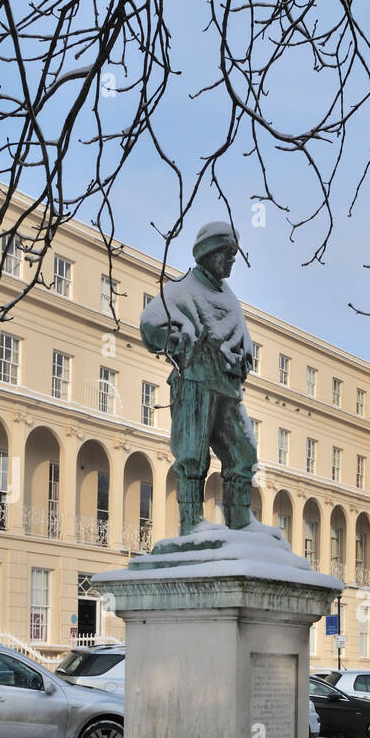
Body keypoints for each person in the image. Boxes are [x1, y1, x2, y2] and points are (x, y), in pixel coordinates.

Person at [140, 221, 258, 534]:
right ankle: (191, 523)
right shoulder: (182, 289)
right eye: (227, 253)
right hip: (195, 382)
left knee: (244, 453)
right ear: (209, 254)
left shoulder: (229, 298)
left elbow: (243, 342)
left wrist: (244, 357)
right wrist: (182, 341)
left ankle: (240, 523)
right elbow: (150, 326)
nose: (232, 259)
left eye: (234, 253)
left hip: (228, 388)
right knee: (193, 454)